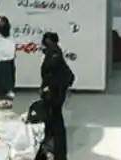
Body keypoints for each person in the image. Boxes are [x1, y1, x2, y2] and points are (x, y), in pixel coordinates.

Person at [39, 32, 75, 160]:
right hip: (55, 94)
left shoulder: (54, 53)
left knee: (55, 123)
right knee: (54, 121)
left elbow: (51, 73)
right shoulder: (54, 53)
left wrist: (48, 89)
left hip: (54, 95)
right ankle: (53, 150)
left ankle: (56, 152)